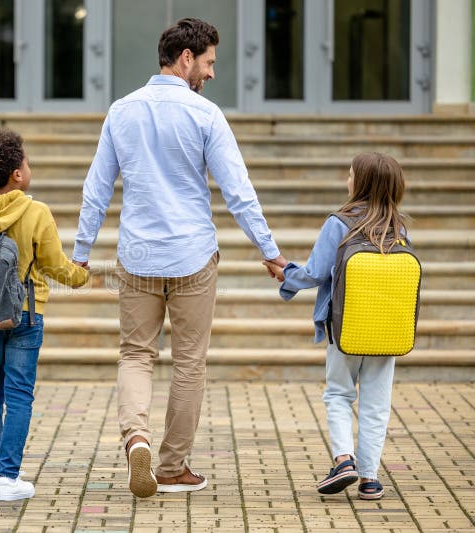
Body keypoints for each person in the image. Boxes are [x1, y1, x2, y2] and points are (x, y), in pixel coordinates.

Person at [72, 18, 285, 498]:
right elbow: (238, 191)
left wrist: (81, 253)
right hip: (191, 256)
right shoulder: (206, 115)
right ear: (186, 57)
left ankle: (137, 439)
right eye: (208, 62)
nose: (210, 74)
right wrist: (269, 251)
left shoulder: (121, 111)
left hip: (138, 256)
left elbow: (96, 188)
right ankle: (170, 467)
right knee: (190, 362)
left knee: (135, 354)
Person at [0, 128, 89, 501]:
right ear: (17, 173)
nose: (29, 166)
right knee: (19, 393)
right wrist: (82, 275)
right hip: (25, 315)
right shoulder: (36, 212)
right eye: (26, 161)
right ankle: (10, 480)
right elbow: (56, 265)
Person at [264, 153, 408, 501]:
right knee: (376, 402)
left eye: (350, 175)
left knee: (339, 394)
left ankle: (344, 460)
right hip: (387, 329)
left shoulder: (339, 222)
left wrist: (286, 273)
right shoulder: (398, 227)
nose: (347, 180)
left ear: (360, 184)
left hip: (344, 326)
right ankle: (370, 479)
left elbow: (315, 273)